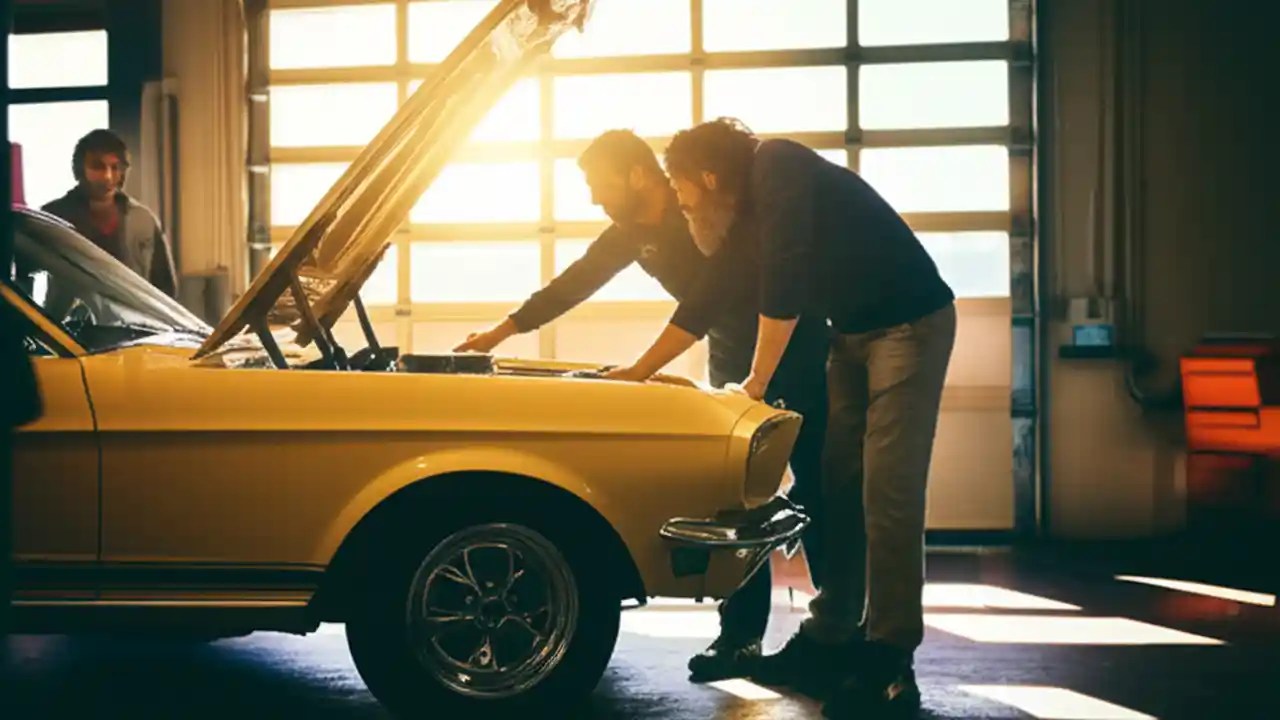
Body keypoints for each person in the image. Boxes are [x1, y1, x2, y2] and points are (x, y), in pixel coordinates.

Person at [454, 129, 829, 680]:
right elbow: (574, 283)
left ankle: (835, 633)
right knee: (740, 501)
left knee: (822, 485)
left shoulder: (703, 209)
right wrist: (499, 333)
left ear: (635, 174)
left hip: (792, 345)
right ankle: (740, 641)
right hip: (729, 355)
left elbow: (707, 299)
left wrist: (640, 370)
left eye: (596, 183)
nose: (592, 197)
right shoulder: (629, 233)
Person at [662, 118, 956, 717]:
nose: (679, 199)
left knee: (887, 489)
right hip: (850, 335)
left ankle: (889, 657)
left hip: (910, 324)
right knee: (837, 487)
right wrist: (637, 371)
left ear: (709, 175)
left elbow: (787, 272)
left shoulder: (779, 166)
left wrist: (756, 382)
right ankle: (831, 634)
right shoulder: (745, 210)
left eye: (680, 185)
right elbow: (709, 292)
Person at [42, 129, 178, 298]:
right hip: (67, 323)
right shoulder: (53, 217)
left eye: (115, 167)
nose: (107, 176)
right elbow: (24, 276)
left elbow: (165, 287)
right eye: (98, 167)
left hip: (134, 321)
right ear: (80, 169)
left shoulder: (143, 219)